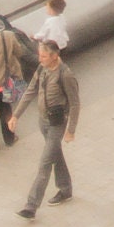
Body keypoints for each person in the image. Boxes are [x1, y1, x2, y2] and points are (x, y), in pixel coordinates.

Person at [16, 41, 80, 215]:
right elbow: (30, 90)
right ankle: (65, 189)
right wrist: (16, 115)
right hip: (43, 121)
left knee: (45, 164)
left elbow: (75, 104)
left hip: (57, 124)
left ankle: (31, 206)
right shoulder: (42, 68)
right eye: (40, 55)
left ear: (55, 56)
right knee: (55, 154)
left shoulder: (65, 75)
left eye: (44, 56)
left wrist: (70, 130)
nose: (40, 59)